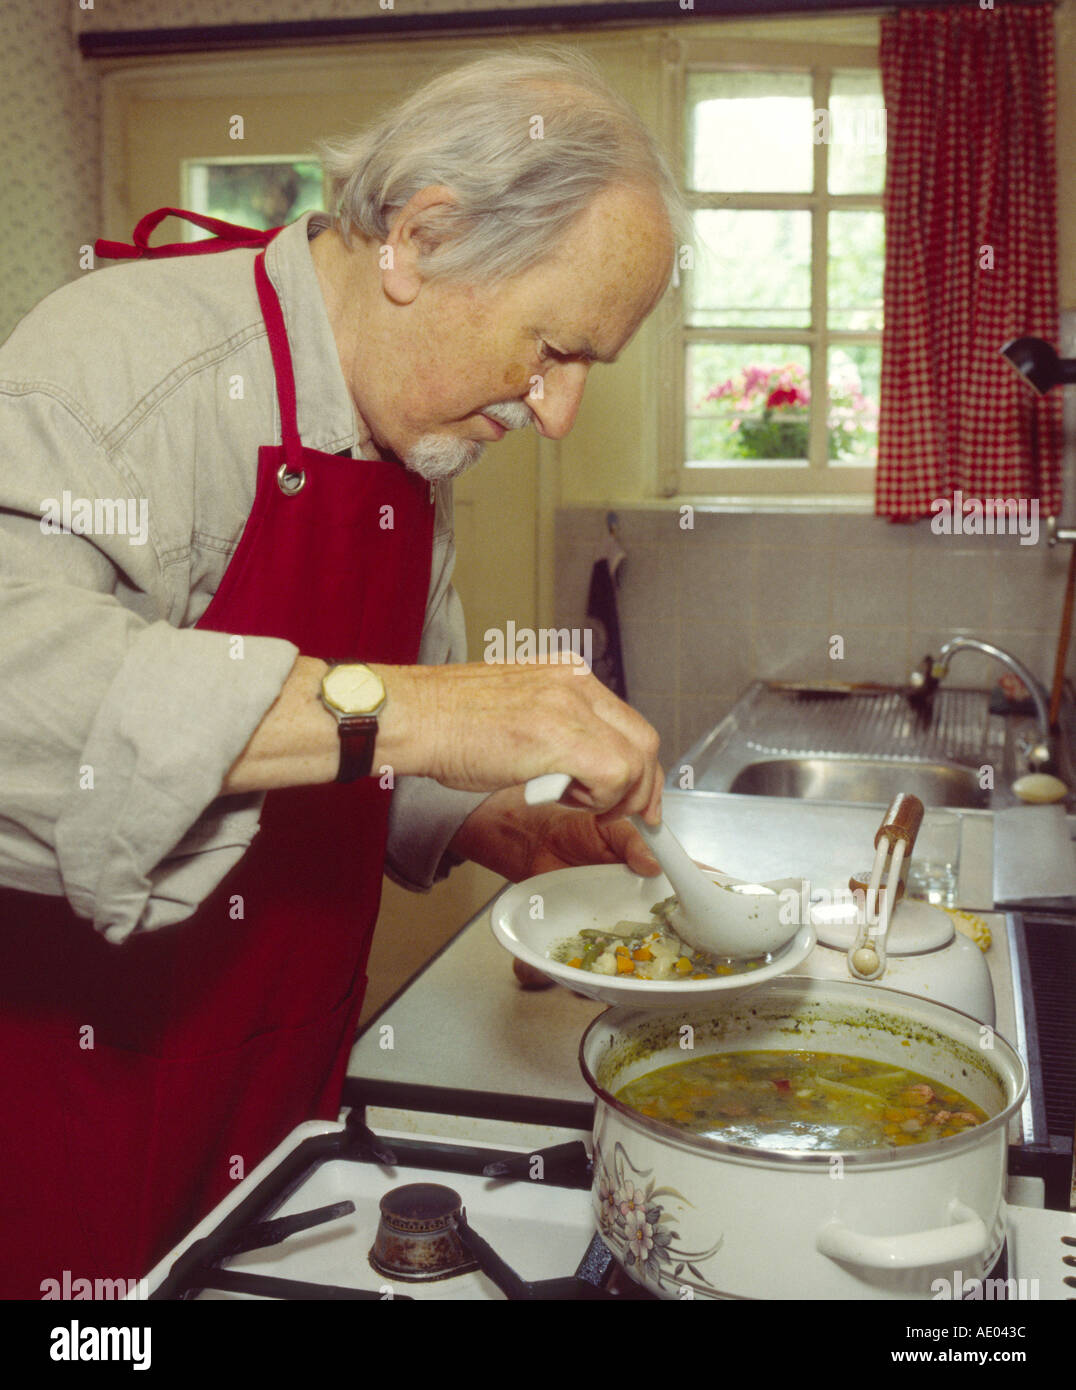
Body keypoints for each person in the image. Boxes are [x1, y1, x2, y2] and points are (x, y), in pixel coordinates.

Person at [0, 49, 680, 1297]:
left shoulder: (412, 440)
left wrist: (477, 819)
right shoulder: (130, 362)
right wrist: (422, 707)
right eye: (551, 349)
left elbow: (361, 734)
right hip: (65, 1094)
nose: (558, 410)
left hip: (274, 1080)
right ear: (420, 238)